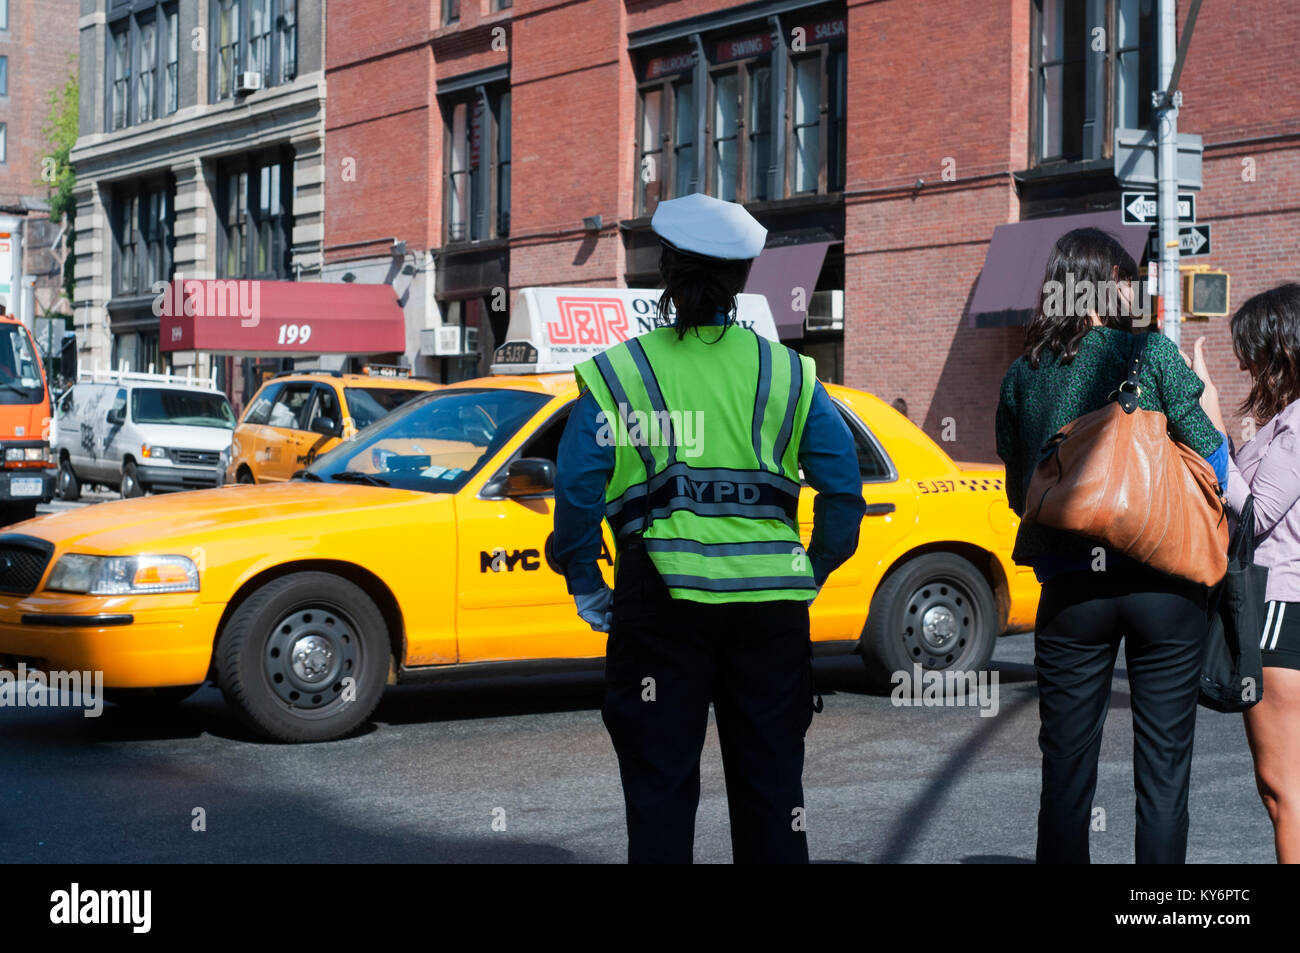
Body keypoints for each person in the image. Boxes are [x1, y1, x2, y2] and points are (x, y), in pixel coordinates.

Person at [552, 192, 866, 864]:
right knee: (774, 789)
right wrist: (812, 569)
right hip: (770, 611)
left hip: (659, 606)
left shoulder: (621, 372)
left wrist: (585, 579)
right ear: (743, 279)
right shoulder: (790, 372)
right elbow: (842, 490)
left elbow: (577, 488)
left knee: (660, 788)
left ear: (665, 273)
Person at [995, 227, 1230, 864]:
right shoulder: (1149, 354)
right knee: (1164, 771)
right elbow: (1213, 462)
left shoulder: (1025, 373)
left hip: (1073, 588)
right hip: (1164, 581)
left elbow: (1023, 487)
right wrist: (1208, 398)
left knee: (1066, 770)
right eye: (1126, 279)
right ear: (1106, 282)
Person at [1189, 283, 1300, 863]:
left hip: (1280, 610)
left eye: (1251, 352)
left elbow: (1254, 512)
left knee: (1283, 790)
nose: (1243, 365)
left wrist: (1208, 442)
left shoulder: (1298, 424)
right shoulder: (1285, 422)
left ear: (1281, 350)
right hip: (1283, 605)